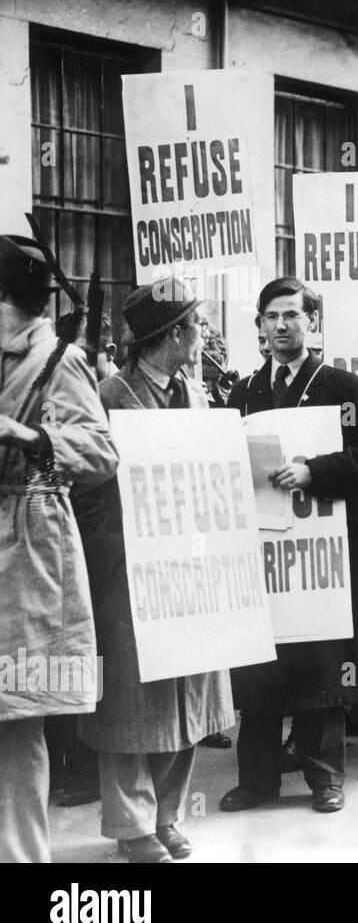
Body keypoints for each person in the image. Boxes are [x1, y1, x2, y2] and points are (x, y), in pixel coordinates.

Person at [220, 277, 358, 814]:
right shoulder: (245, 391)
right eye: (271, 317)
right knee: (260, 663)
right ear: (260, 326)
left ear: (311, 323)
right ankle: (258, 780)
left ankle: (325, 780)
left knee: (321, 664)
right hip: (264, 555)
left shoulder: (342, 386)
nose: (281, 326)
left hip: (322, 555)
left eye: (292, 316)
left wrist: (314, 471)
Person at [76, 279, 234, 863]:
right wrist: (124, 545)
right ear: (173, 336)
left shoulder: (196, 394)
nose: (205, 335)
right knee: (131, 702)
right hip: (127, 572)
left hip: (189, 570)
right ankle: (131, 827)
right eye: (199, 325)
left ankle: (167, 815)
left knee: (188, 694)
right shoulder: (108, 396)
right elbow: (86, 494)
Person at [0, 234, 117, 863]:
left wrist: (23, 432)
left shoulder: (57, 360)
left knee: (16, 715)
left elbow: (101, 451)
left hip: (28, 547)